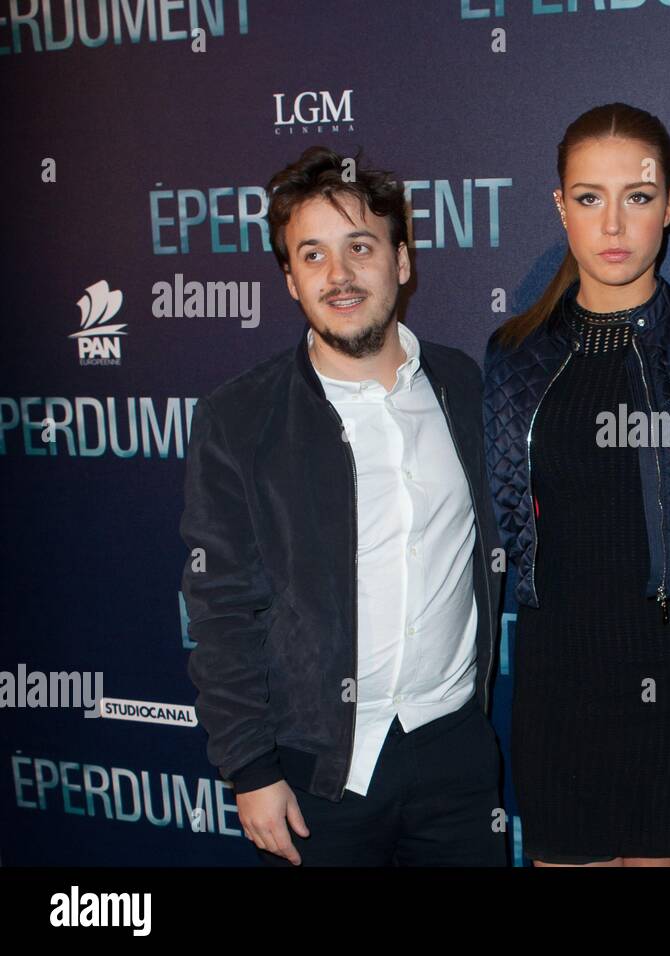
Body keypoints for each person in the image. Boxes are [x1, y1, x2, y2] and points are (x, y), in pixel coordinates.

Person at [181, 146, 507, 866]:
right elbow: (221, 608)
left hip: (453, 751)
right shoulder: (241, 418)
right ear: (291, 280)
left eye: (360, 246)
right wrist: (252, 770)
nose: (339, 276)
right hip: (314, 771)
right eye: (313, 255)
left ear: (402, 259)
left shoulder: (463, 386)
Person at [483, 103, 670, 867]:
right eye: (589, 197)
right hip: (558, 679)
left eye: (636, 196)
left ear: (668, 206)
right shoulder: (514, 356)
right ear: (560, 207)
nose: (613, 224)